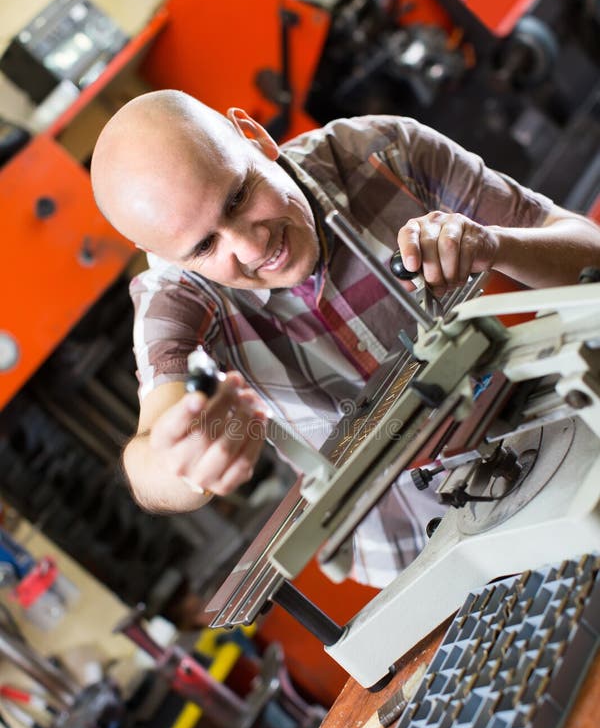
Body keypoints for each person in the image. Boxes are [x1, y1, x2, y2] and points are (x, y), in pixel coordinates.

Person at [90, 90, 600, 588]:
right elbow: (149, 460)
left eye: (239, 196)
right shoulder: (173, 296)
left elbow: (588, 250)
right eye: (204, 246)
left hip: (556, 448)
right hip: (422, 555)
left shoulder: (383, 152)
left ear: (255, 137)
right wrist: (183, 459)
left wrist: (493, 244)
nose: (251, 243)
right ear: (165, 254)